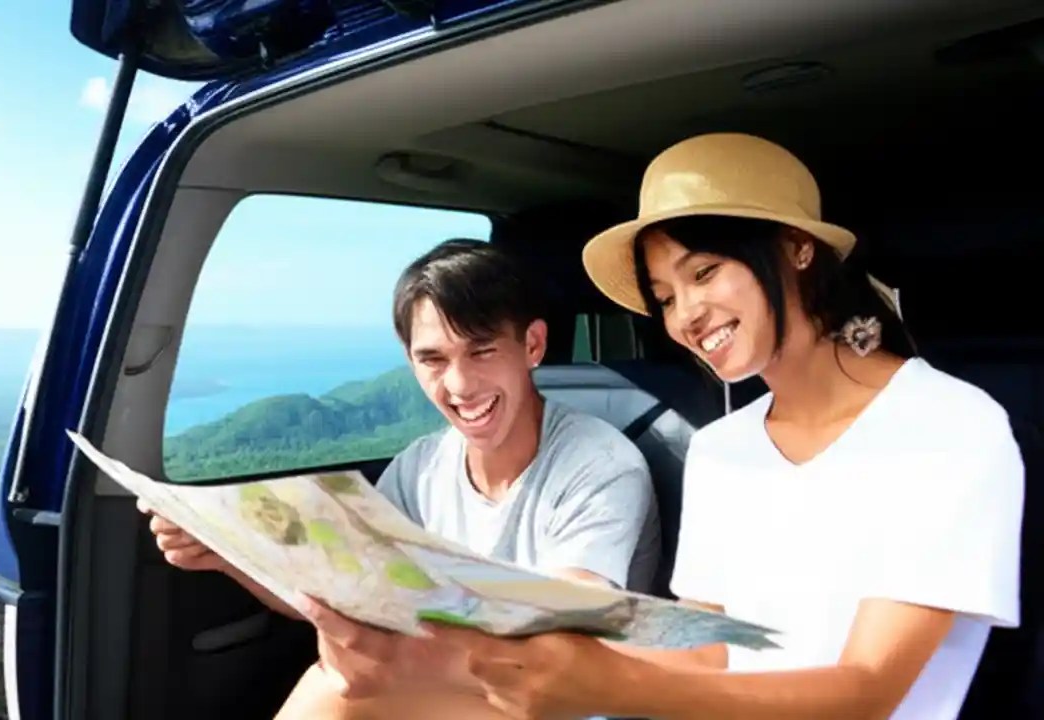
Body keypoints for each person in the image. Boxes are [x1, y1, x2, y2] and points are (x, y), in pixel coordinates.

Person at [339, 132, 1020, 720]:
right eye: (664, 296)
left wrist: (610, 679)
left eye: (705, 272)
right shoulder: (722, 450)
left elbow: (868, 691)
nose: (685, 314)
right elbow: (708, 655)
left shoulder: (948, 426)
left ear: (797, 249)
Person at [140, 238, 661, 719]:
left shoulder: (600, 465)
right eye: (432, 359)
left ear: (533, 345)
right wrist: (226, 552)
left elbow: (561, 629)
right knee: (334, 684)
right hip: (452, 691)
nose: (459, 385)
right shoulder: (421, 465)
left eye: (481, 351)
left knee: (337, 689)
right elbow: (341, 590)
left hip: (555, 703)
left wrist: (391, 656)